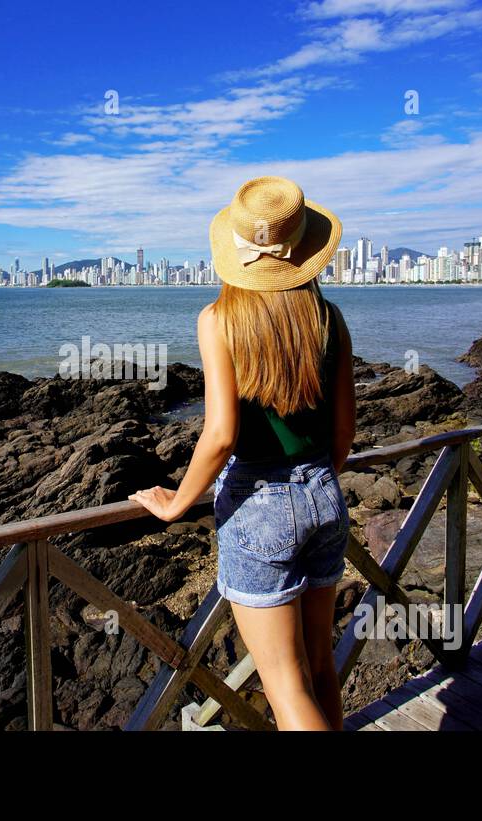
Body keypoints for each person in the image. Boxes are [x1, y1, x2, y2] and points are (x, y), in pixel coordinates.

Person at [130, 176, 355, 730]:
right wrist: (315, 483)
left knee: (284, 684)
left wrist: (179, 501)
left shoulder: (218, 320)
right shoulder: (329, 319)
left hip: (258, 505)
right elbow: (344, 432)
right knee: (322, 665)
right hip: (324, 495)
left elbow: (222, 434)